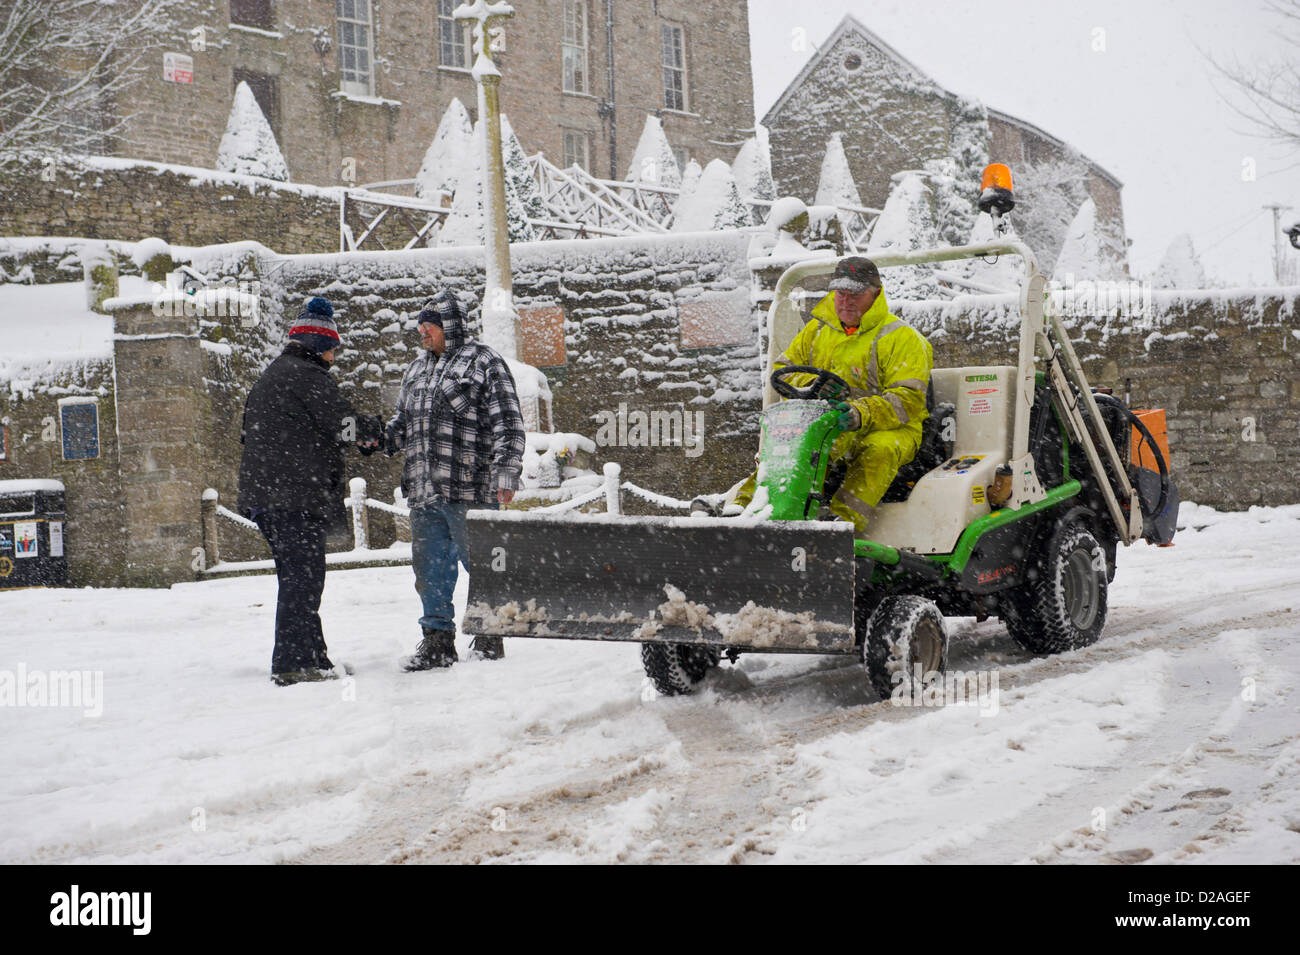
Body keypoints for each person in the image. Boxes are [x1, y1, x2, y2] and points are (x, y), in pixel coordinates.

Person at [237, 296, 382, 686]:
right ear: (321, 346)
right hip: (292, 499)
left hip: (269, 497)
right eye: (334, 346)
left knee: (299, 577)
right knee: (303, 580)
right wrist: (375, 434)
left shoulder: (274, 374)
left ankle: (314, 656)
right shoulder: (307, 377)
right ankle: (293, 663)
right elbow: (344, 424)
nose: (336, 354)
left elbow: (250, 435)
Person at [733, 256, 933, 533]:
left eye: (856, 294)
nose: (846, 301)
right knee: (796, 445)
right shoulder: (815, 331)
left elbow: (907, 401)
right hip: (827, 421)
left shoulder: (903, 338)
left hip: (893, 428)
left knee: (879, 449)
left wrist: (858, 413)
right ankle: (742, 510)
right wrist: (816, 386)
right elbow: (784, 369)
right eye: (841, 293)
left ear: (876, 293)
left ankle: (842, 523)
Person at [386, 289, 526, 670]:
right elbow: (402, 424)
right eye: (421, 325)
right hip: (423, 491)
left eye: (429, 325)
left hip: (470, 487)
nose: (422, 331)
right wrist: (377, 435)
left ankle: (488, 637)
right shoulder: (415, 369)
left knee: (482, 565)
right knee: (429, 570)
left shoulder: (484, 362)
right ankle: (437, 642)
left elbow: (508, 422)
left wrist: (507, 471)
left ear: (450, 326)